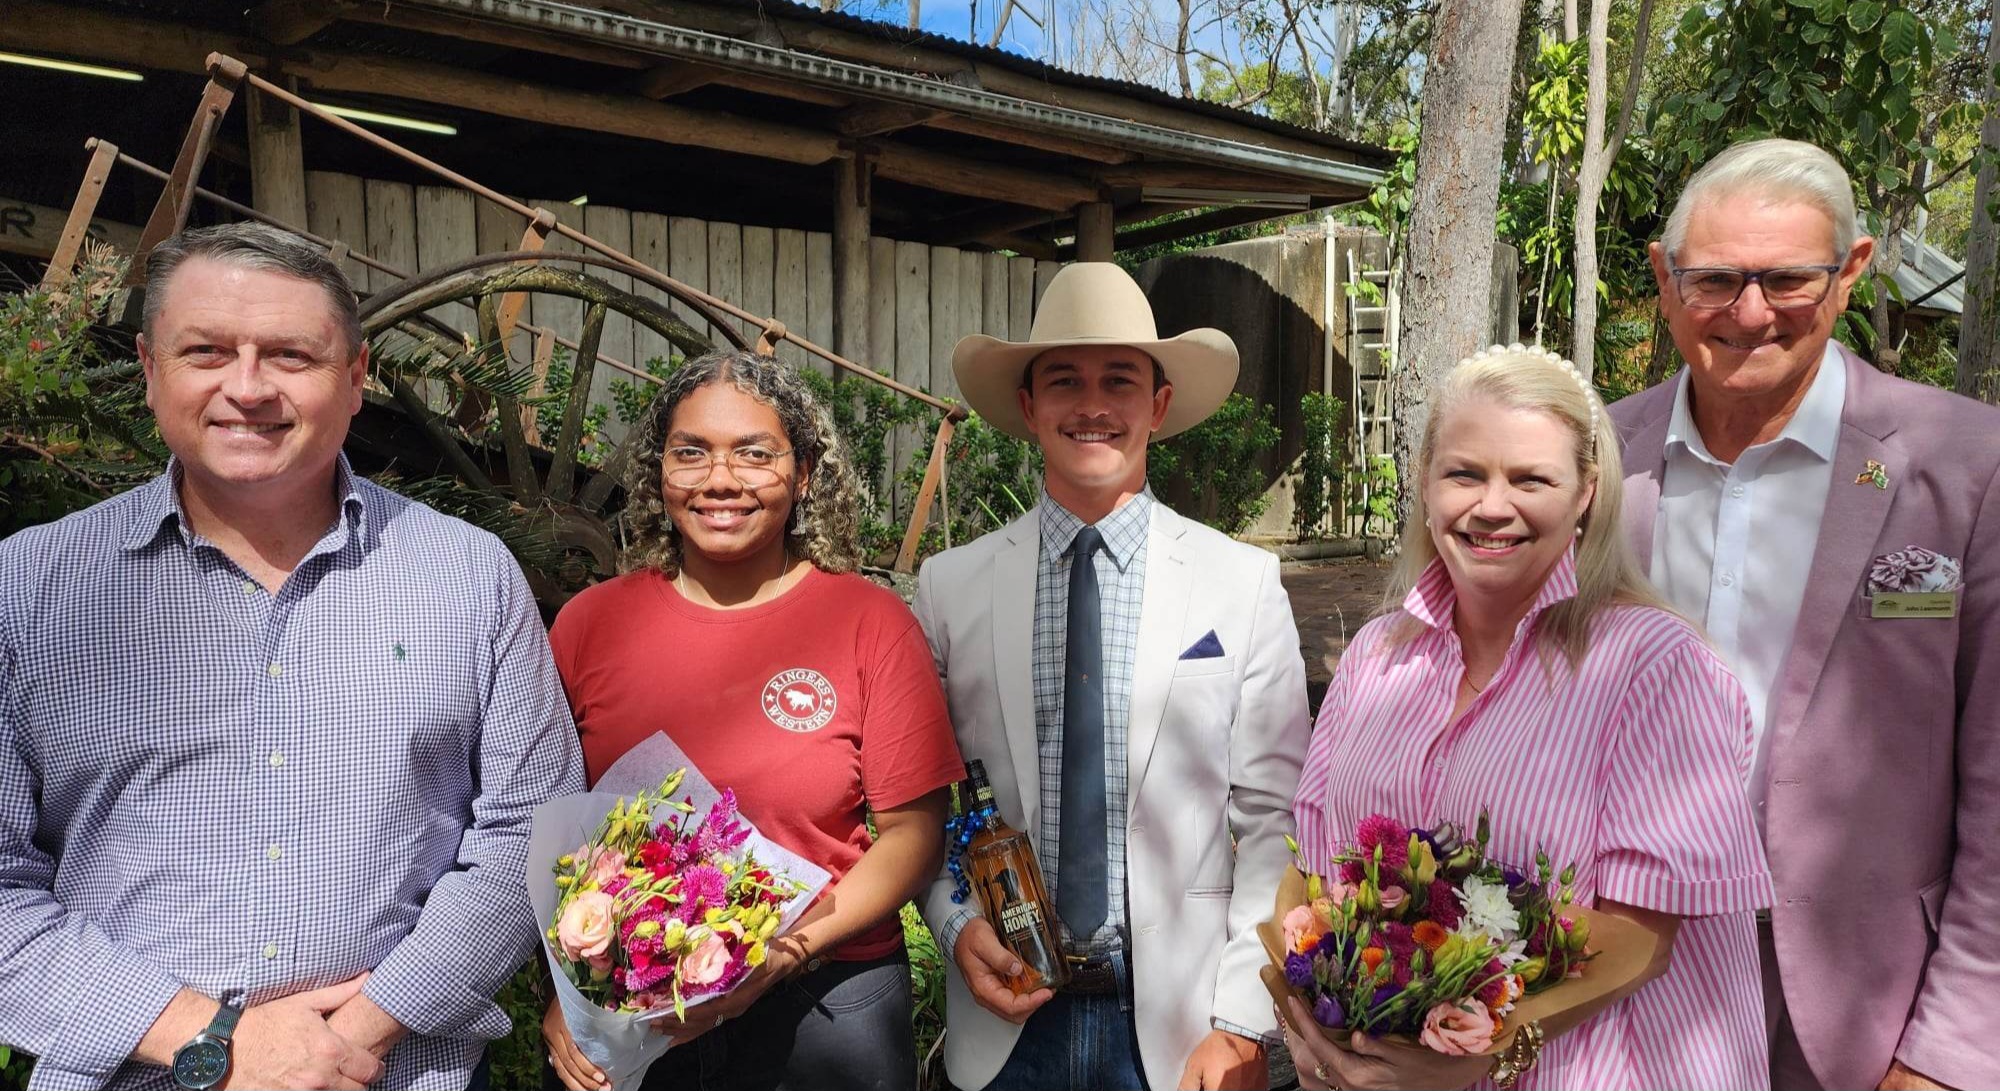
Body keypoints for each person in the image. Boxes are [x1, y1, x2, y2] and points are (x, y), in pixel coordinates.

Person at [0, 221, 586, 1091]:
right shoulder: (27, 586)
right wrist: (212, 1039)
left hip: (390, 1072)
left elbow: (528, 831)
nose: (247, 387)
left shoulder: (467, 576)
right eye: (205, 350)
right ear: (149, 369)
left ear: (355, 379)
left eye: (290, 356)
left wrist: (358, 1030)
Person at [1612, 137, 2000, 1091]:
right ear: (1665, 280)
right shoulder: (1596, 459)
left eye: (1786, 278)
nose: (1749, 313)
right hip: (1620, 987)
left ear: (1850, 271)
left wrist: (1951, 1051)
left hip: (1867, 1009)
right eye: (1713, 280)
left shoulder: (1967, 465)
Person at [1286, 345, 1774, 1090]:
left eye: (1530, 479)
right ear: (1424, 482)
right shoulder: (1373, 659)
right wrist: (1312, 1032)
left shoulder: (1656, 668)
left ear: (1585, 492)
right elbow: (1311, 879)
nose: (1491, 505)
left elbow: (1640, 940)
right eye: (1465, 473)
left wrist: (1477, 1061)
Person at [915, 263, 1310, 1091]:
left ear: (1158, 405)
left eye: (1119, 380)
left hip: (1180, 1030)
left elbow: (1278, 821)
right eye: (1064, 380)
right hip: (1008, 1019)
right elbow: (916, 804)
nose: (1091, 404)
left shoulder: (1238, 584)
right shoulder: (951, 589)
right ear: (1029, 406)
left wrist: (1242, 1019)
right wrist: (954, 924)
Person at [541, 350, 964, 1091]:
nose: (721, 480)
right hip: (631, 1004)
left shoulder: (869, 622)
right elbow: (541, 822)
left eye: (755, 453)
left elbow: (913, 833)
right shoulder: (589, 626)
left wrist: (784, 952)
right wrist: (569, 982)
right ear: (658, 471)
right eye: (691, 452)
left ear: (803, 473)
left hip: (827, 997)